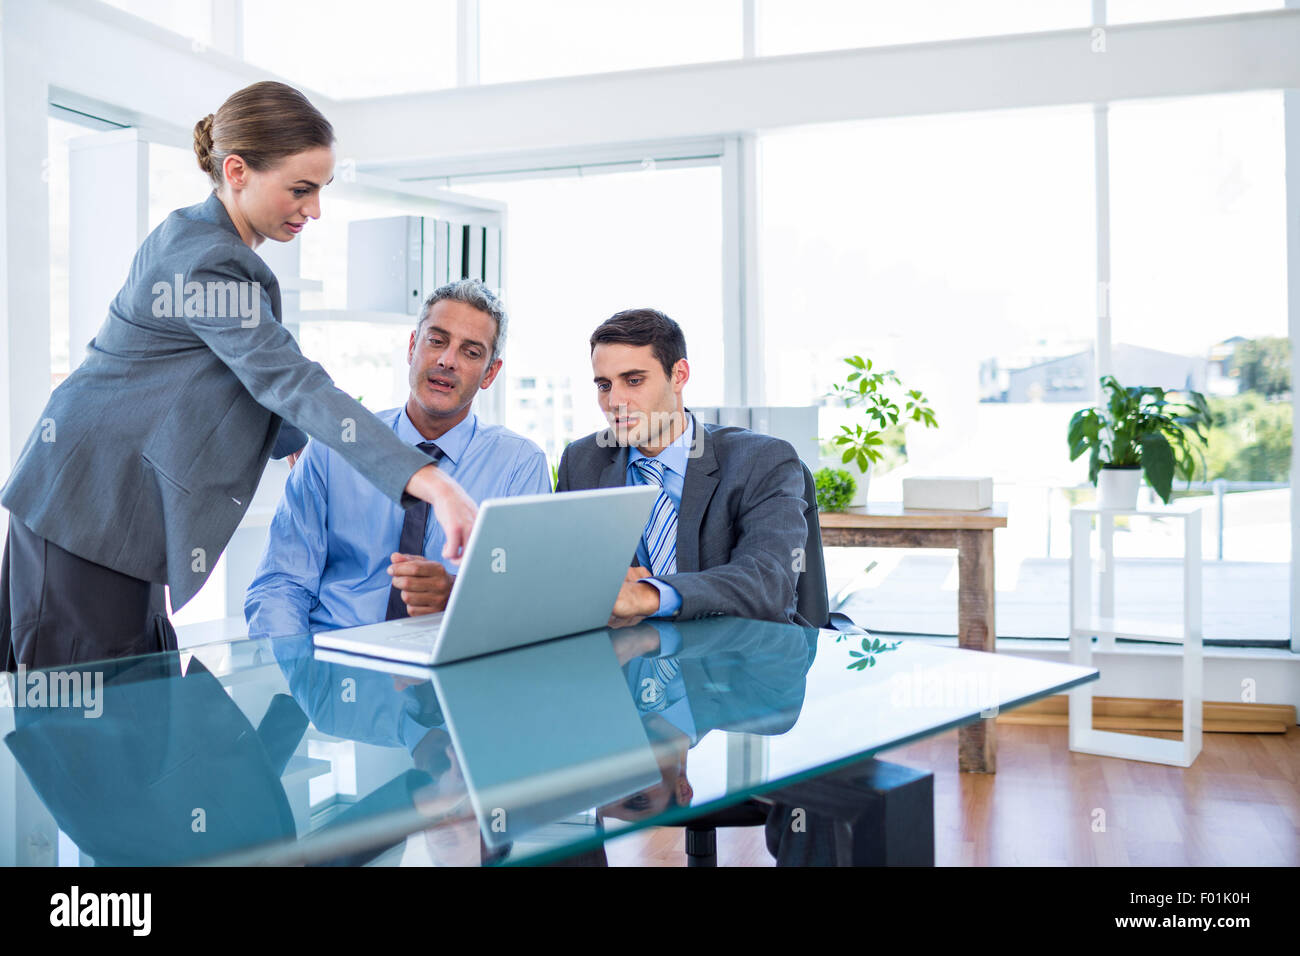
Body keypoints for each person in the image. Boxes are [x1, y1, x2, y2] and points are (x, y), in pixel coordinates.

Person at [0, 81, 476, 671]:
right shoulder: (205, 259)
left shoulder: (212, 246)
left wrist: (296, 442)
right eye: (300, 190)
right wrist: (430, 480)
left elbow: (239, 377)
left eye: (321, 191)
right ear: (237, 170)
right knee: (87, 719)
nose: (314, 210)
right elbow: (290, 379)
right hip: (86, 513)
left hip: (109, 520)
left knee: (131, 698)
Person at [244, 279, 550, 640]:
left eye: (470, 352)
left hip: (452, 674)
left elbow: (528, 599)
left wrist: (456, 595)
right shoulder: (333, 448)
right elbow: (281, 585)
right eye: (436, 340)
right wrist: (306, 681)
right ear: (411, 347)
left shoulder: (519, 464)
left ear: (491, 373)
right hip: (337, 666)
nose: (446, 360)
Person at [555, 308, 809, 628]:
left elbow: (769, 580)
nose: (615, 401)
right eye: (604, 385)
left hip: (734, 662)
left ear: (679, 375)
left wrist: (648, 596)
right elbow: (563, 574)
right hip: (627, 660)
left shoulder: (761, 459)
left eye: (634, 380)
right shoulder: (582, 462)